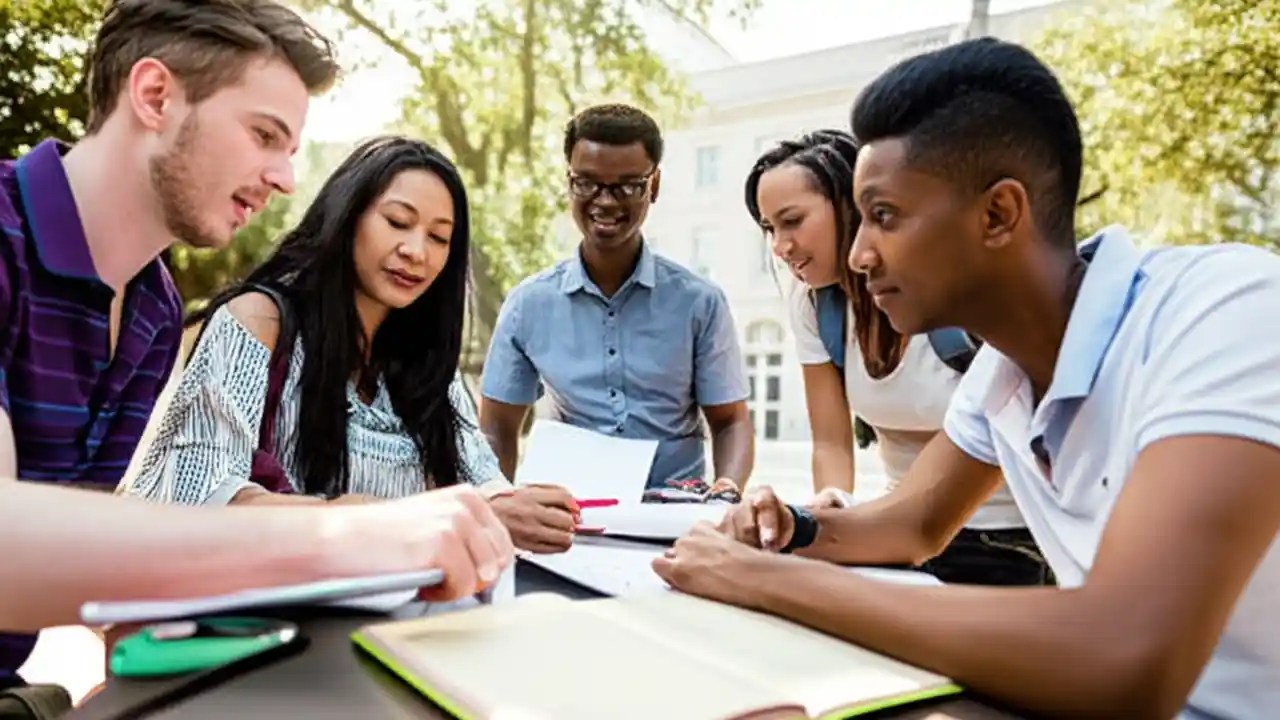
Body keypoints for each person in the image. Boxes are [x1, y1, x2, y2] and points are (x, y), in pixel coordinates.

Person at [655, 38, 1279, 718]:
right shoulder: (1001, 374)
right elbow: (911, 525)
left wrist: (762, 579)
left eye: (884, 216)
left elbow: (1124, 654)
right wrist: (789, 530)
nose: (860, 255)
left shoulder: (1225, 313)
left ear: (998, 214)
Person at [0, 0, 509, 679]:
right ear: (155, 96)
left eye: (291, 150)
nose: (286, 179)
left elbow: (100, 585)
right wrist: (348, 535)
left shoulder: (153, 306)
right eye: (264, 136)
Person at [119, 135, 579, 556]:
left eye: (439, 238)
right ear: (348, 215)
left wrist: (522, 509)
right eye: (398, 222)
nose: (416, 251)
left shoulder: (427, 367)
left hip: (396, 620)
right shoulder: (261, 322)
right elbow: (200, 493)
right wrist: (396, 520)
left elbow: (483, 484)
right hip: (258, 625)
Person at [745, 130, 1046, 586]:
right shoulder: (813, 306)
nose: (780, 246)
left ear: (855, 205)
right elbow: (830, 442)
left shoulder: (953, 292)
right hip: (896, 536)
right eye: (769, 228)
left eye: (792, 221)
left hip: (1007, 537)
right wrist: (831, 501)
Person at [479, 103, 754, 498]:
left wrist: (727, 489)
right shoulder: (528, 305)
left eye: (627, 186)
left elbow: (730, 421)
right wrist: (501, 506)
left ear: (654, 186)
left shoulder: (700, 303)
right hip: (571, 512)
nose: (605, 202)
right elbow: (496, 427)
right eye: (587, 183)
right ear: (569, 182)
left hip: (675, 511)